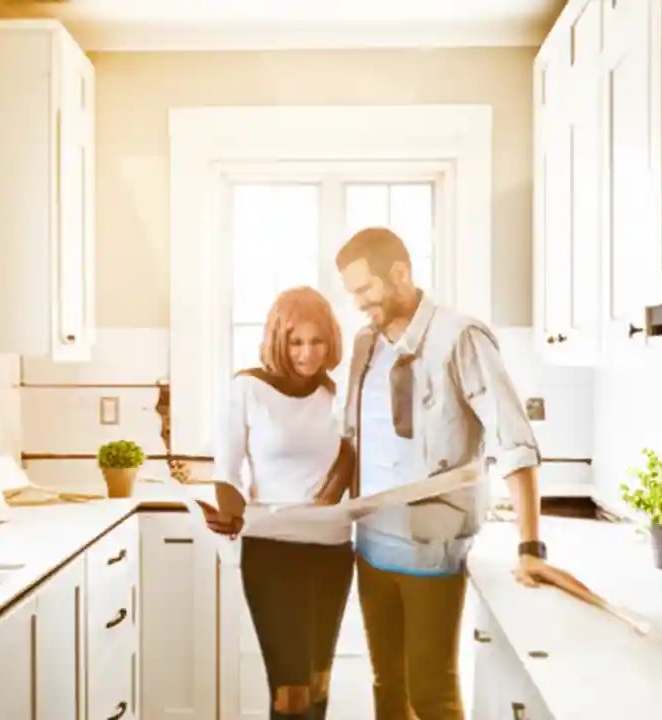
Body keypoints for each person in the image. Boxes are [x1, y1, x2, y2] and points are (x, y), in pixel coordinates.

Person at [336, 227, 548, 720]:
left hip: (431, 553)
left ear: (400, 273)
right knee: (387, 688)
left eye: (365, 290)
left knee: (429, 692)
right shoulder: (365, 345)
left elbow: (513, 440)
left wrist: (530, 547)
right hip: (369, 547)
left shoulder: (460, 337)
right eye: (351, 293)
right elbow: (352, 438)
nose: (358, 304)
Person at [204, 286, 356, 720]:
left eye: (317, 341)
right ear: (278, 340)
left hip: (331, 550)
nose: (307, 353)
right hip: (272, 551)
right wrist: (230, 514)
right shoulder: (248, 388)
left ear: (330, 341)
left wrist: (329, 498)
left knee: (319, 682)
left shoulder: (333, 393)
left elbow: (349, 450)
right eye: (296, 342)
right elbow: (227, 470)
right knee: (290, 691)